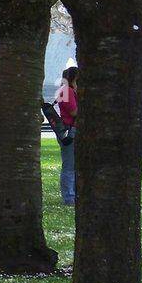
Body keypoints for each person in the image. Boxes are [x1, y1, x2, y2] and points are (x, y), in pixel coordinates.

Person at [55, 62, 78, 205]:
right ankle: (69, 197)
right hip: (69, 130)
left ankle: (72, 194)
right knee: (69, 164)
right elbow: (74, 111)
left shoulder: (66, 91)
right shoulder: (67, 91)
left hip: (69, 128)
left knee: (72, 164)